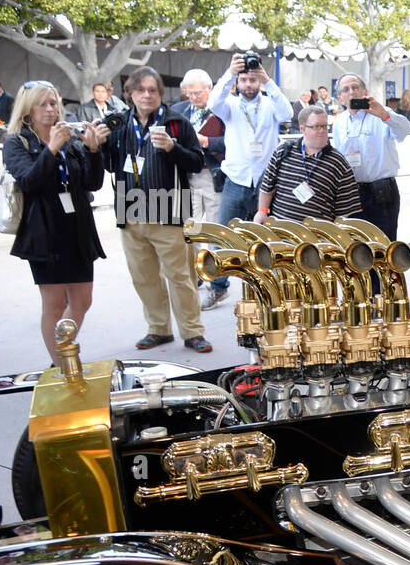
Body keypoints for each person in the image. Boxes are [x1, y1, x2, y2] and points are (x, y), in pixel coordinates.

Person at [102, 66, 211, 353]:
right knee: (144, 277)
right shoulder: (119, 123)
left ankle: (192, 332)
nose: (147, 95)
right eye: (141, 90)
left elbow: (197, 163)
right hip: (131, 209)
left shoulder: (177, 123)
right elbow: (111, 164)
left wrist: (173, 148)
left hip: (168, 208)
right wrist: (95, 146)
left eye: (152, 90)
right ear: (130, 94)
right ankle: (158, 329)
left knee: (180, 276)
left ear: (161, 93)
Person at [1, 82, 108, 365]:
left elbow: (92, 183)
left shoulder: (70, 138)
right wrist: (51, 149)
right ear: (28, 109)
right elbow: (29, 181)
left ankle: (63, 350)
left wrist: (94, 150)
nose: (50, 110)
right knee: (54, 303)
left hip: (78, 227)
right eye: (42, 104)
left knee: (83, 300)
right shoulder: (17, 141)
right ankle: (61, 363)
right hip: (44, 229)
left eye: (53, 103)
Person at [207, 53, 293, 308]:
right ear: (237, 82)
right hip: (236, 180)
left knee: (269, 236)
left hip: (266, 183)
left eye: (252, 80)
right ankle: (219, 287)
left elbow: (287, 112)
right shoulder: (230, 105)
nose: (248, 84)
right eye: (243, 80)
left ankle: (271, 288)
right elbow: (213, 103)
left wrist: (268, 81)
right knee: (224, 235)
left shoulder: (269, 103)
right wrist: (229, 74)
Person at [332, 73, 410, 238]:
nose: (352, 92)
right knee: (356, 246)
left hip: (381, 192)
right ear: (340, 98)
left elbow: (404, 131)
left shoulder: (381, 114)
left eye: (355, 87)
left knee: (384, 245)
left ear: (365, 91)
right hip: (352, 193)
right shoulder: (339, 123)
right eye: (346, 90)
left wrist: (384, 115)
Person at [255, 105, 361, 224]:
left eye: (324, 126)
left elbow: (344, 212)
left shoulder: (339, 163)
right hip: (279, 233)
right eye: (316, 126)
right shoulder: (283, 152)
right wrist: (262, 211)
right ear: (302, 128)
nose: (322, 130)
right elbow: (267, 188)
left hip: (317, 238)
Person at [170, 69, 226, 225]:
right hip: (186, 173)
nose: (194, 97)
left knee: (214, 223)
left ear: (209, 88)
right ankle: (194, 251)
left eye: (198, 93)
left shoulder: (223, 110)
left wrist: (206, 141)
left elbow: (233, 142)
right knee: (190, 225)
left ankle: (212, 251)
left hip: (211, 172)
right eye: (190, 94)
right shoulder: (177, 110)